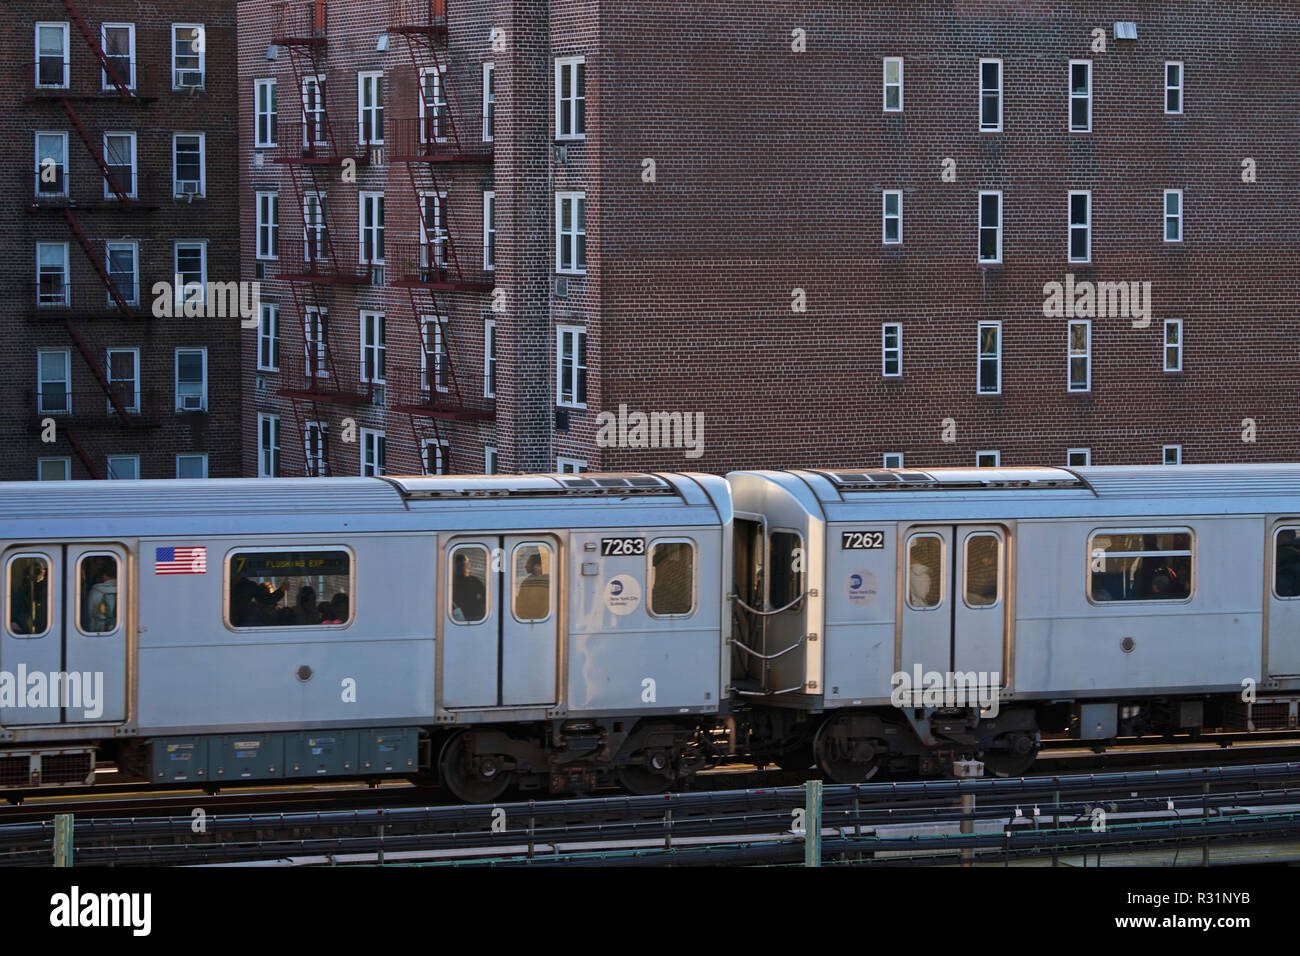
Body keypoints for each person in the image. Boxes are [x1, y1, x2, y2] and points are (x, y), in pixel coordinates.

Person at [451, 553, 486, 622]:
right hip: (455, 619)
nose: (461, 567)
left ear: (468, 565)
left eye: (462, 564)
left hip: (475, 617)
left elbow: (486, 596)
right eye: (458, 565)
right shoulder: (450, 582)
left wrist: (478, 606)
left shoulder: (475, 581)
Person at [84, 561, 118, 633]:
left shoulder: (96, 591)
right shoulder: (126, 589)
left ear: (104, 575)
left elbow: (90, 614)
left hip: (99, 631)